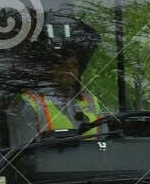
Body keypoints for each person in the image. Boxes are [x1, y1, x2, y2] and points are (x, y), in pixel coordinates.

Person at [9, 16, 103, 146]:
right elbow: (25, 156)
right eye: (62, 66)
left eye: (73, 66)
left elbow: (105, 143)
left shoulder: (90, 100)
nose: (69, 72)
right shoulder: (28, 103)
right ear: (48, 69)